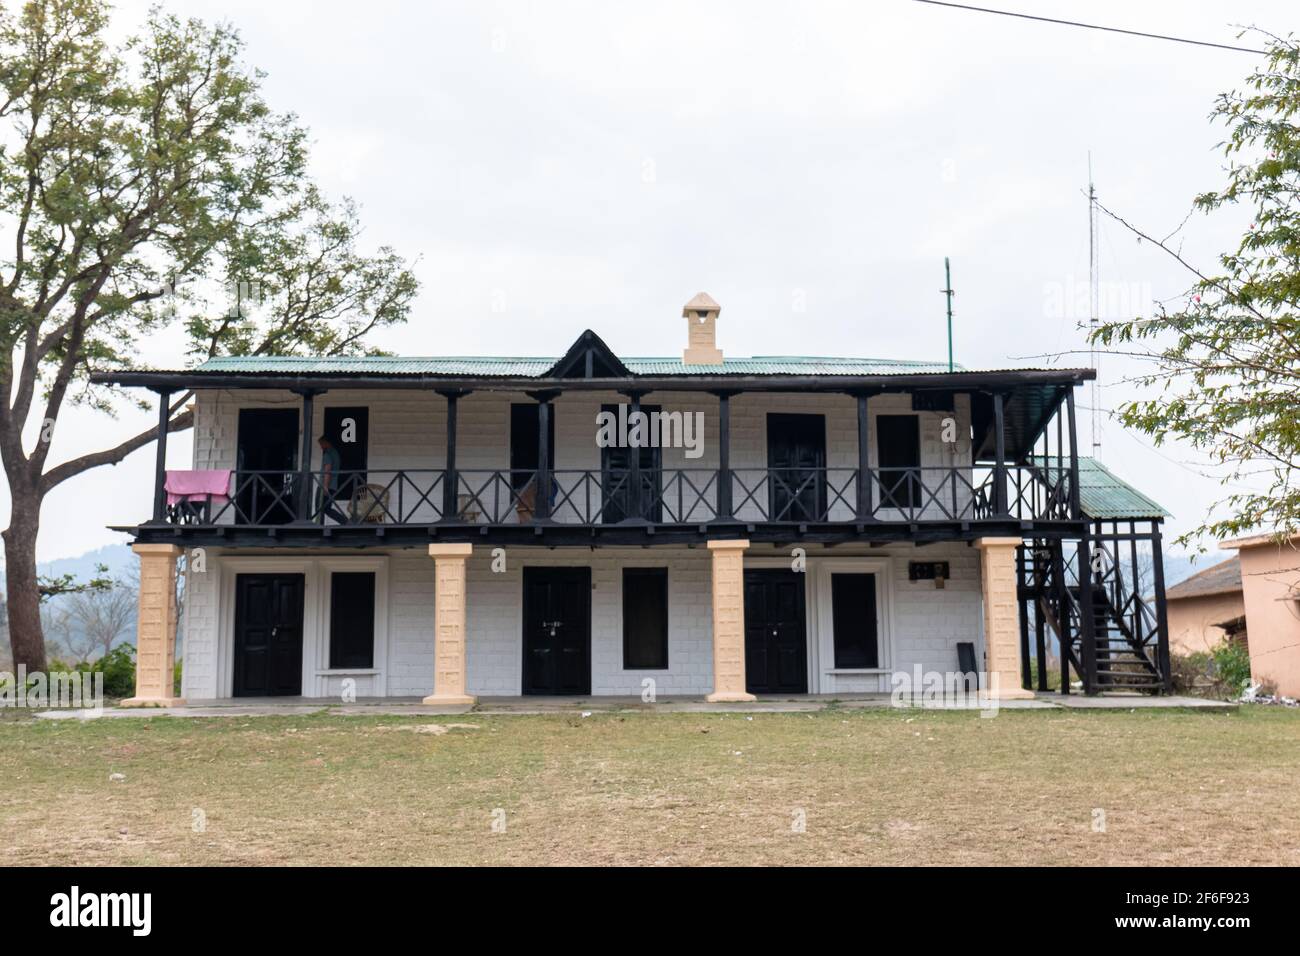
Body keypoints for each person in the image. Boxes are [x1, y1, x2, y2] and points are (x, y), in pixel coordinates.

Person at [316, 436, 350, 523]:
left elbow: (328, 470)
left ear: (326, 442)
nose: (321, 446)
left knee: (320, 508)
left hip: (325, 485)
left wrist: (325, 486)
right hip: (333, 486)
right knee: (326, 509)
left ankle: (345, 522)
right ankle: (345, 522)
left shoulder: (328, 454)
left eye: (321, 444)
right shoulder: (335, 453)